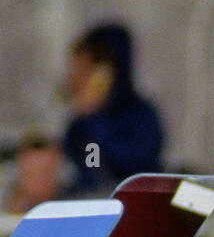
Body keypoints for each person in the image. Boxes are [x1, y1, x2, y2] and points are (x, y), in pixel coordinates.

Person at [62, 23, 164, 195]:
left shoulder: (139, 114)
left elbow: (132, 161)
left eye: (84, 68)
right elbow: (91, 166)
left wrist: (94, 121)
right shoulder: (82, 124)